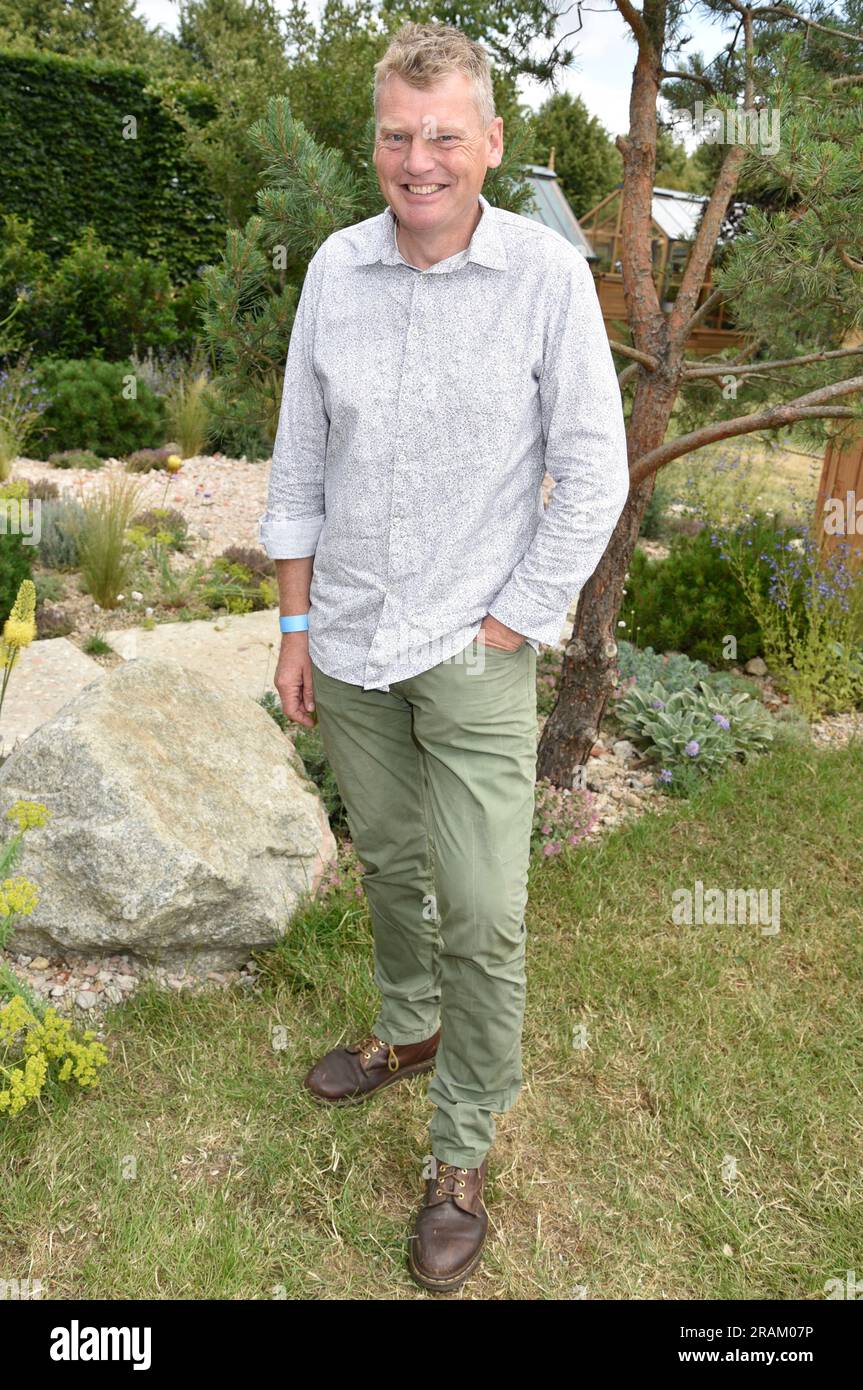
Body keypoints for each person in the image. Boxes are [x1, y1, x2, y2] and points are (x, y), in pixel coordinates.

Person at [259, 19, 630, 1292]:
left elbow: (592, 471)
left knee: (481, 905)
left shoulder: (544, 279)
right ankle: (407, 1032)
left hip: (473, 646)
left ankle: (461, 1148)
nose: (417, 161)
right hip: (351, 638)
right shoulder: (333, 271)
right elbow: (300, 460)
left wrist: (511, 619)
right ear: (375, 141)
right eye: (395, 136)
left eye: (442, 137)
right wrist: (298, 625)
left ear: (489, 143)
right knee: (394, 863)